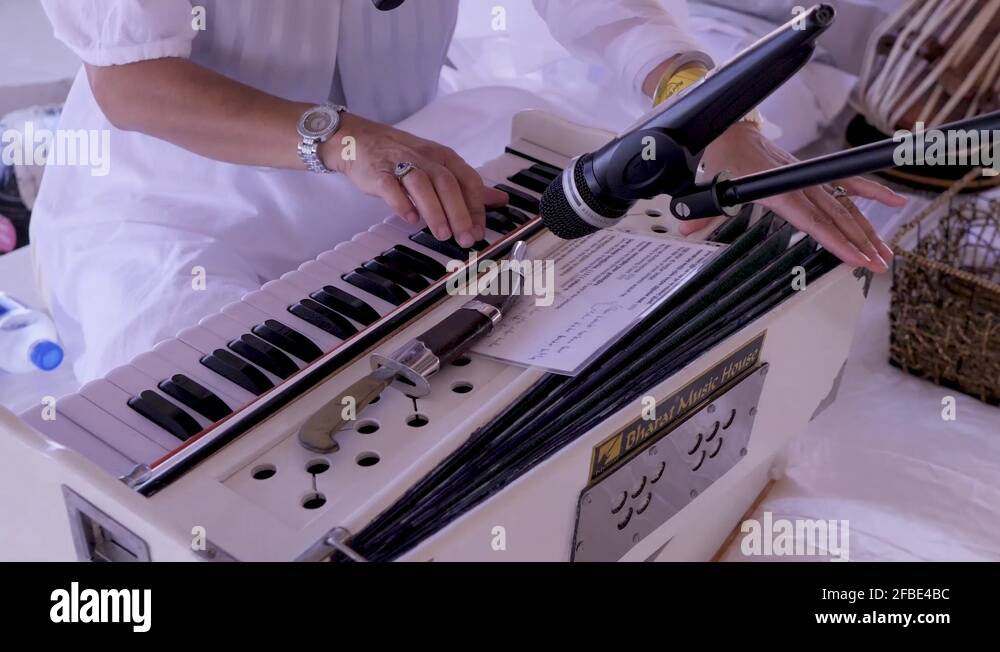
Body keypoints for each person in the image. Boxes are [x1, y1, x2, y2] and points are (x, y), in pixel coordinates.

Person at [33, 0, 905, 383]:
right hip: (176, 194)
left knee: (602, 289)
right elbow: (135, 84)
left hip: (414, 152)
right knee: (188, 396)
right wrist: (339, 138)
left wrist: (712, 109)